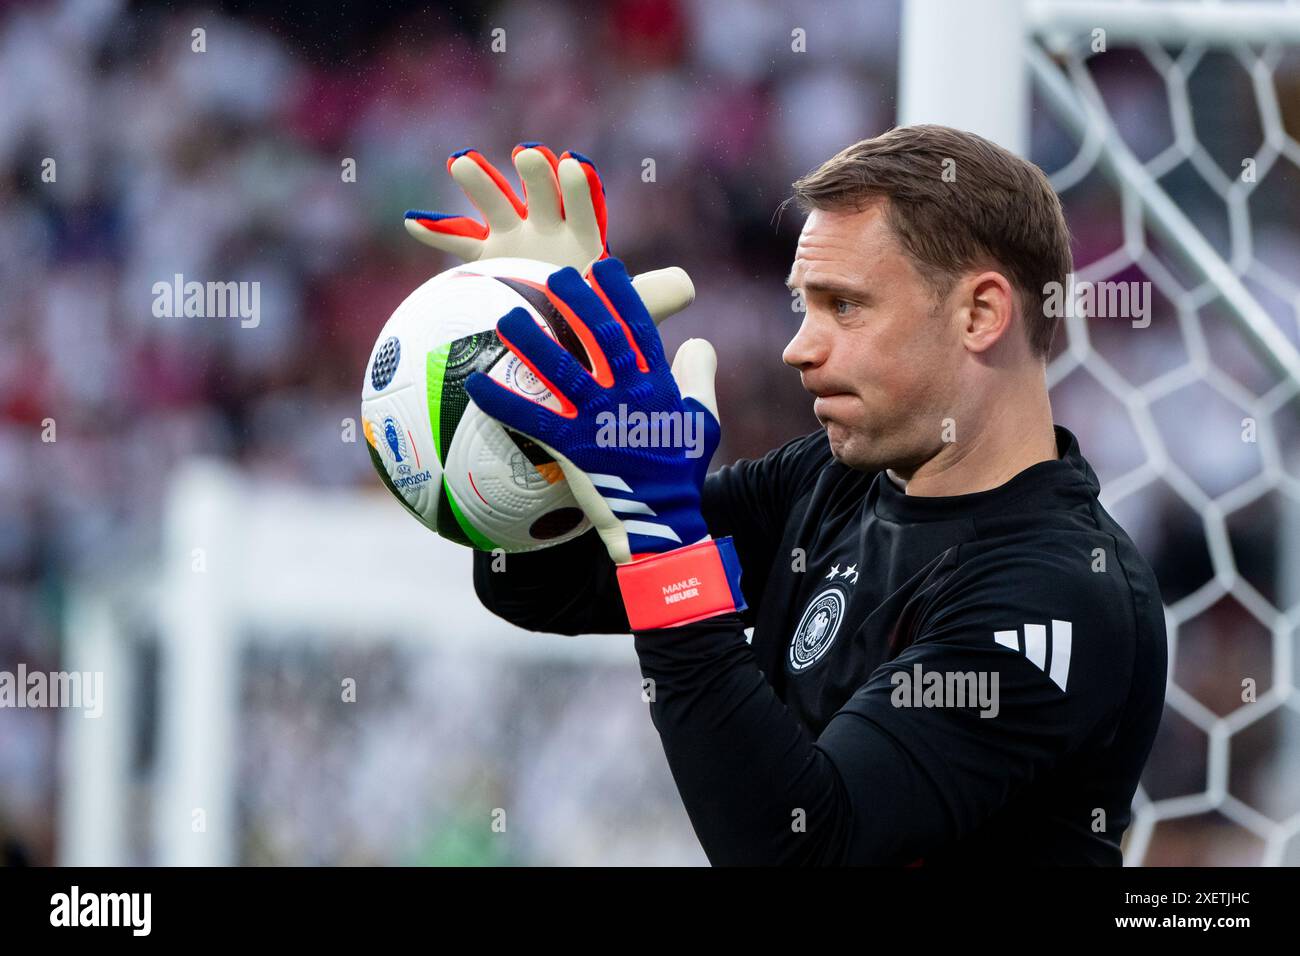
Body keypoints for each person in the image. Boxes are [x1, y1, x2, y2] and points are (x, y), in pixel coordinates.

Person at [420, 129, 1168, 865]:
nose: (799, 348)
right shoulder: (833, 481)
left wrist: (666, 548)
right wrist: (533, 369)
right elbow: (540, 584)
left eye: (842, 306)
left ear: (980, 314)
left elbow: (802, 846)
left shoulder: (1059, 592)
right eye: (801, 305)